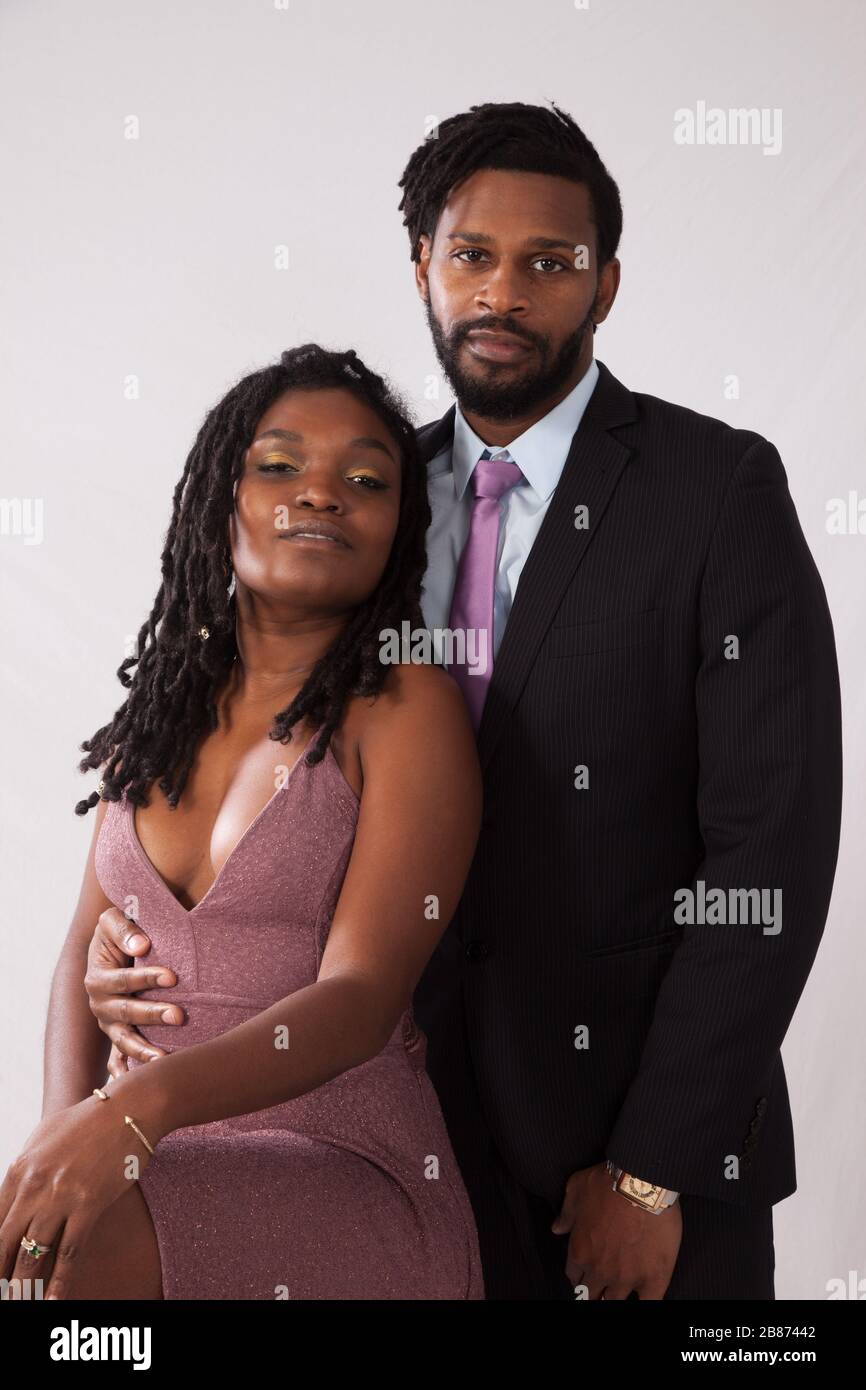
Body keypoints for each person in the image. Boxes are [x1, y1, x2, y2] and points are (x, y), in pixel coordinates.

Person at [75, 100, 843, 1302]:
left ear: (606, 285)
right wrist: (142, 954)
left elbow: (772, 852)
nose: (504, 293)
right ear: (422, 268)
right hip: (392, 1127)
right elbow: (279, 778)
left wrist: (652, 1168)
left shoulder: (714, 491)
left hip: (632, 1143)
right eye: (472, 256)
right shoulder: (377, 498)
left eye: (550, 263)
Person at [0, 344, 485, 1300]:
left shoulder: (404, 708)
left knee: (82, 1264)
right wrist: (63, 1147)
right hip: (148, 1152)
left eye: (363, 479)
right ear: (221, 501)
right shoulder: (164, 710)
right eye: (279, 465)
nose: (321, 494)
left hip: (346, 1160)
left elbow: (362, 997)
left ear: (399, 529)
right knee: (39, 1250)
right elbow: (75, 959)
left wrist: (134, 1113)